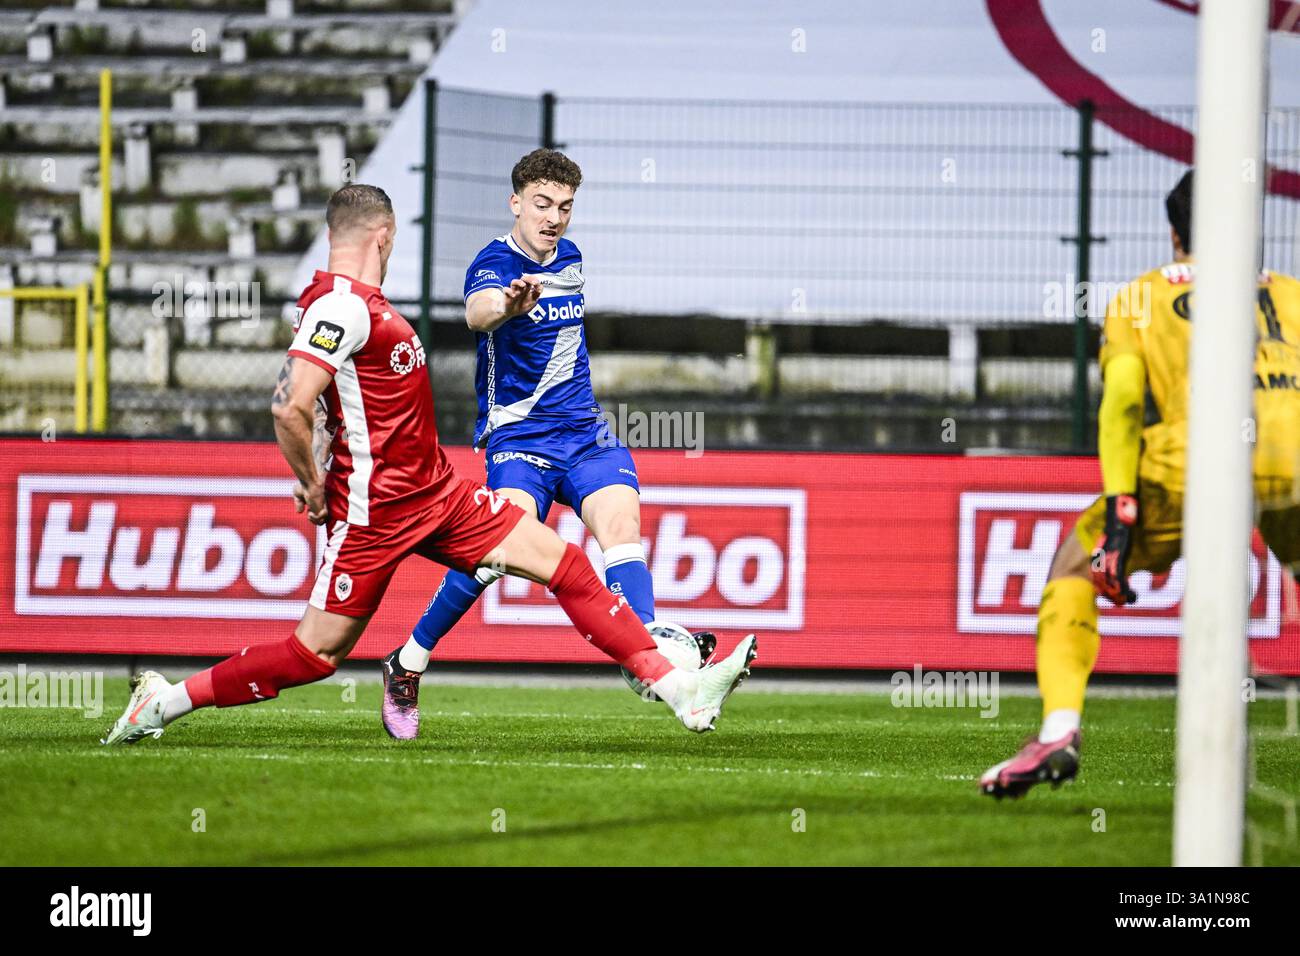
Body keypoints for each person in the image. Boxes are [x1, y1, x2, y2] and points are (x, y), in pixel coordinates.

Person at [101, 184, 756, 746]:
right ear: (382, 236)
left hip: (438, 495)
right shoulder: (341, 308)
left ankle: (679, 690)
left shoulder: (355, 305)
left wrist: (321, 459)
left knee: (565, 563)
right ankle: (162, 702)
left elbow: (330, 410)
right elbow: (290, 407)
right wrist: (312, 483)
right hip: (374, 514)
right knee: (314, 655)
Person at [981, 170, 1300, 797]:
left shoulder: (1139, 297)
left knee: (1073, 566)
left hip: (1198, 462)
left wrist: (1123, 506)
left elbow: (1124, 400)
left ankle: (1059, 729)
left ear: (1174, 231)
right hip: (1293, 457)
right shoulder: (1292, 293)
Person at [380, 149, 711, 739]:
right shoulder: (493, 264)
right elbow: (477, 314)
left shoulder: (573, 259)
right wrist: (509, 304)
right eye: (541, 204)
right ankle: (407, 663)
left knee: (622, 530)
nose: (553, 217)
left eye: (564, 207)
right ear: (515, 204)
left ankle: (647, 655)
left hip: (585, 433)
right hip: (520, 440)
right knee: (496, 554)